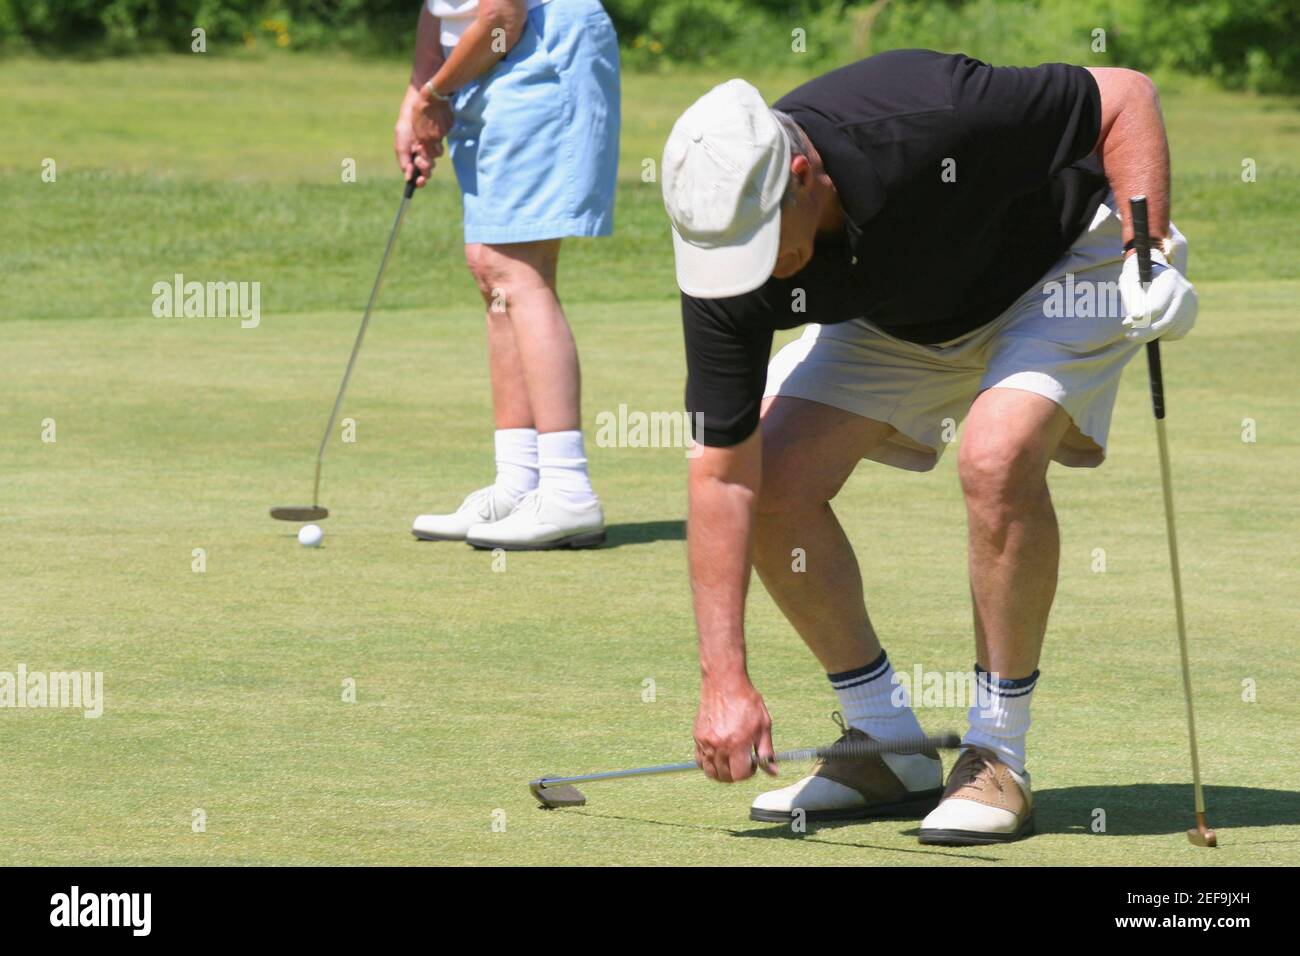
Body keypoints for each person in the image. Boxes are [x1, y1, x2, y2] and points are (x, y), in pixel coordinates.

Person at [660, 51, 1198, 844]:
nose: (749, 271)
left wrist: (1142, 253)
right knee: (773, 479)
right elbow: (721, 474)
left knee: (995, 454)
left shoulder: (928, 114)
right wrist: (724, 679)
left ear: (803, 176)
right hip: (901, 311)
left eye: (759, 242)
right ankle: (885, 743)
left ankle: (998, 753)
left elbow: (1125, 96)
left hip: (1059, 266)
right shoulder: (726, 267)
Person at [396, 0, 619, 550]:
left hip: (537, 49)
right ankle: (519, 483)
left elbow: (502, 16)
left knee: (514, 268)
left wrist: (434, 94)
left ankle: (567, 490)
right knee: (490, 269)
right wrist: (417, 94)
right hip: (481, 62)